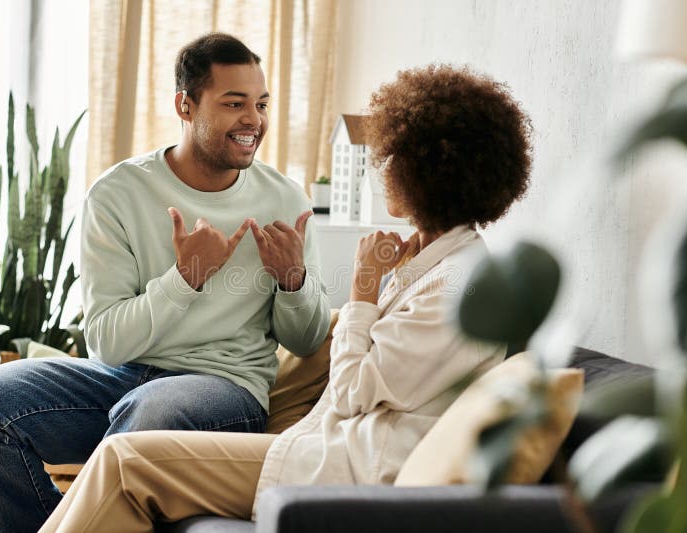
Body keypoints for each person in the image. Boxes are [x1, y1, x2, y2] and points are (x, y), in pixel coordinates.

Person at [37, 63, 533, 532]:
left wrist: (362, 290)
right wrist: (384, 283)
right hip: (323, 449)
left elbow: (352, 390)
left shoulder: (461, 286)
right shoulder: (433, 265)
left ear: (429, 173)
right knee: (94, 446)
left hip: (348, 469)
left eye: (391, 159)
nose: (380, 172)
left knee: (127, 460)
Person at [0, 33, 330, 533]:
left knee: (148, 410)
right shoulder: (118, 193)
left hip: (227, 390)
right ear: (184, 106)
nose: (254, 120)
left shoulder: (284, 199)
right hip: (123, 378)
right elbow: (106, 342)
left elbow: (306, 340)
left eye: (261, 103)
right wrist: (186, 279)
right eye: (234, 104)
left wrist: (293, 280)